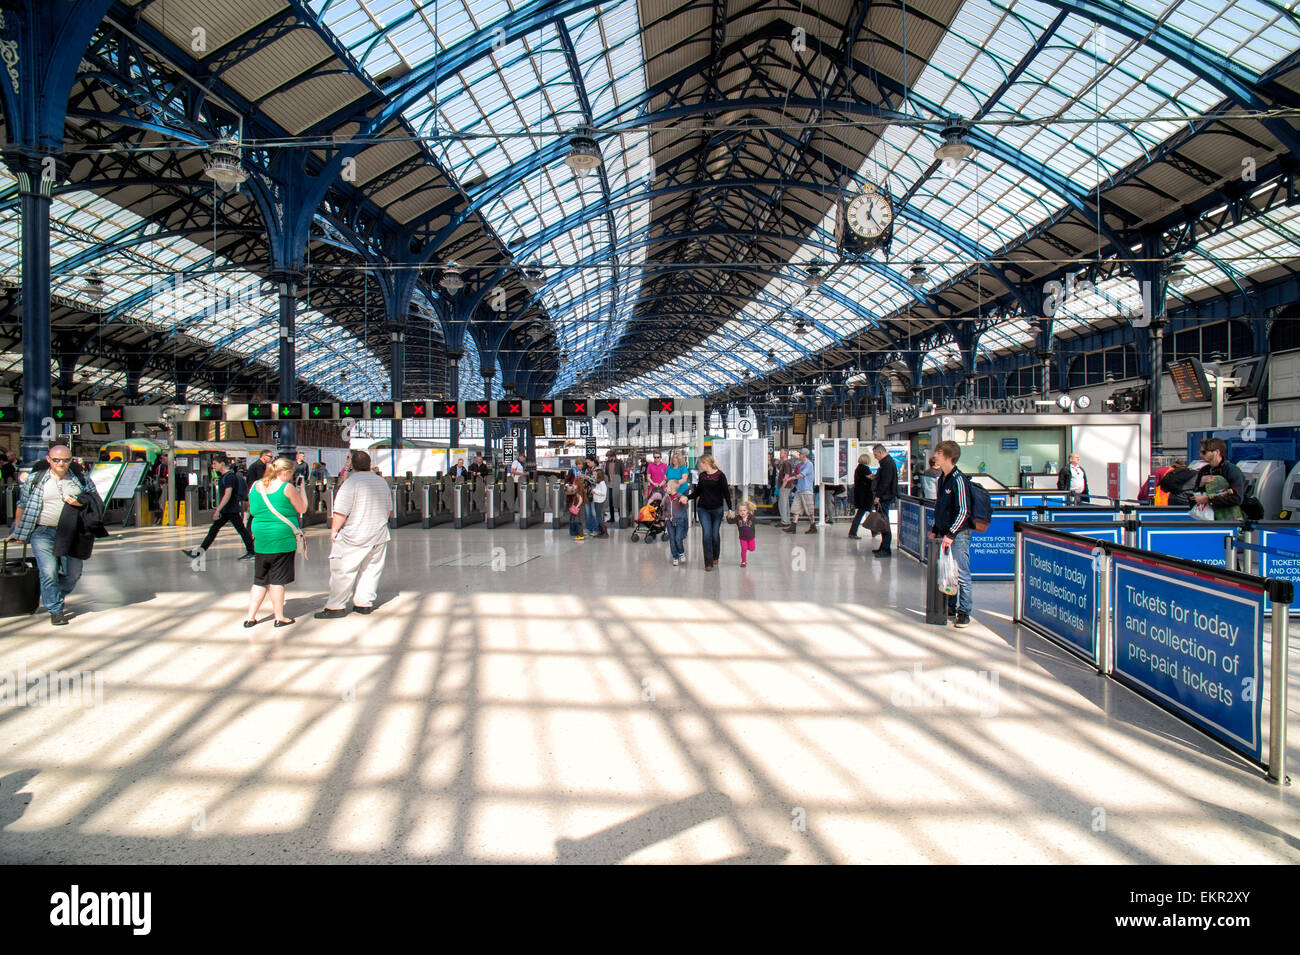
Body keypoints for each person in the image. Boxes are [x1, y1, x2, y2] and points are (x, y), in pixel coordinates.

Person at [5, 444, 106, 625]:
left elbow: (95, 501)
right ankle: (55, 609)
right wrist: (17, 529)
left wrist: (79, 502)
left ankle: (51, 593)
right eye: (57, 460)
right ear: (49, 460)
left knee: (73, 573)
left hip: (72, 532)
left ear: (71, 460)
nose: (61, 463)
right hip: (42, 531)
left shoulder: (80, 479)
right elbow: (22, 503)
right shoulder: (36, 479)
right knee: (48, 572)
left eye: (66, 460)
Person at [314, 451, 392, 618]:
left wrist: (334, 531)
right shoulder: (381, 482)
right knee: (371, 570)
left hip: (354, 535)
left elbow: (341, 512)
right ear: (369, 464)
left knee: (343, 571)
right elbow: (388, 511)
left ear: (353, 466)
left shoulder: (350, 483)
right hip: (378, 534)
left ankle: (336, 607)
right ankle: (364, 604)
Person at [244, 456, 307, 629]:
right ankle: (279, 617)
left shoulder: (255, 486)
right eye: (291, 474)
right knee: (277, 580)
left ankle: (250, 617)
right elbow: (302, 508)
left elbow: (254, 509)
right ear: (285, 472)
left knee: (259, 580)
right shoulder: (287, 487)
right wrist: (302, 491)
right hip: (282, 538)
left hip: (261, 537)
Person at [929, 440, 973, 628]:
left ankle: (964, 612)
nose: (935, 455)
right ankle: (951, 607)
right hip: (944, 534)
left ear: (948, 457)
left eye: (939, 453)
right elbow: (941, 507)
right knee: (947, 572)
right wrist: (936, 529)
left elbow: (963, 510)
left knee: (961, 573)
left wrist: (951, 533)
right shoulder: (942, 479)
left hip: (958, 535)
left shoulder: (959, 479)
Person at [183, 453, 255, 562]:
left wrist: (218, 509)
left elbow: (228, 494)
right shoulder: (226, 477)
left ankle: (251, 552)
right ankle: (198, 553)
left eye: (215, 463)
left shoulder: (229, 477)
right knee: (217, 530)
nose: (213, 466)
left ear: (222, 464)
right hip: (228, 510)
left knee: (239, 530)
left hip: (230, 509)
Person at [686, 454, 733, 571]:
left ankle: (716, 555)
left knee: (714, 535)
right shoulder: (702, 476)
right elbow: (697, 492)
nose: (700, 466)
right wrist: (686, 497)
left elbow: (726, 493)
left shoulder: (720, 476)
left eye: (701, 463)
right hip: (703, 509)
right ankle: (708, 561)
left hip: (717, 509)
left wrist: (730, 509)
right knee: (707, 534)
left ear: (705, 463)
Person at [1193, 438, 1245, 521]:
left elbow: (1237, 498)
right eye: (1200, 452)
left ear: (1217, 452)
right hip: (1207, 518)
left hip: (1230, 518)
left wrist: (1208, 499)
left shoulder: (1231, 470)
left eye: (1204, 452)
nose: (1201, 455)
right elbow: (1194, 497)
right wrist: (1201, 484)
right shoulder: (1204, 470)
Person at [871, 444, 898, 557]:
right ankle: (883, 546)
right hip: (885, 496)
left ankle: (886, 548)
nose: (875, 457)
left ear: (880, 453)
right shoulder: (887, 463)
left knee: (884, 523)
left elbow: (885, 482)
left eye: (875, 455)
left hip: (884, 497)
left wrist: (878, 496)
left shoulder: (887, 464)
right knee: (883, 523)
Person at [783, 448, 817, 534]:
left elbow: (801, 475)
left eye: (800, 454)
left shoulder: (809, 464)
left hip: (806, 490)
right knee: (796, 508)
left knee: (809, 509)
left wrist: (789, 479)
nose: (799, 455)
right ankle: (793, 526)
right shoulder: (802, 465)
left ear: (804, 455)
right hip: (800, 489)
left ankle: (813, 526)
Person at [847, 453, 874, 539]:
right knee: (864, 514)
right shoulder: (865, 469)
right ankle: (853, 532)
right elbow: (869, 480)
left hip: (860, 496)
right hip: (865, 496)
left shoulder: (858, 469)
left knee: (864, 513)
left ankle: (874, 531)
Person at [664, 478, 690, 566]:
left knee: (678, 539)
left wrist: (684, 501)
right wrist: (665, 517)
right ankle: (675, 557)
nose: (666, 488)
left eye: (667, 486)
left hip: (679, 522)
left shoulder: (680, 497)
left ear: (671, 488)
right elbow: (664, 509)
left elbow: (686, 506)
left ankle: (681, 552)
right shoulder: (666, 498)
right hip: (669, 522)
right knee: (672, 540)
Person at [728, 500, 757, 567]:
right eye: (740, 511)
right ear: (738, 512)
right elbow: (730, 521)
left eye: (744, 510)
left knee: (752, 549)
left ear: (747, 511)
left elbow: (759, 520)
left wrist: (768, 522)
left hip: (751, 537)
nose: (742, 512)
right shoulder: (738, 518)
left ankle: (747, 548)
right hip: (742, 537)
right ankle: (743, 562)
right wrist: (728, 517)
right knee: (744, 549)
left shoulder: (751, 517)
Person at [775, 450, 796, 527]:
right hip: (786, 486)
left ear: (785, 454)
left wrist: (783, 486)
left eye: (781, 453)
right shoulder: (784, 463)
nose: (780, 454)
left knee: (782, 503)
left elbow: (787, 475)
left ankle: (784, 521)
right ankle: (787, 520)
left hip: (785, 486)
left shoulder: (786, 463)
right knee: (785, 503)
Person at [566, 473, 587, 541]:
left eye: (574, 484)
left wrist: (576, 507)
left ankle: (580, 535)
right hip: (580, 509)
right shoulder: (579, 491)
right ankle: (580, 534)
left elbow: (580, 500)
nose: (573, 486)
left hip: (579, 509)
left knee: (578, 522)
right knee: (579, 522)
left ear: (578, 485)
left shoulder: (578, 492)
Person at [588, 470, 609, 537]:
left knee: (599, 517)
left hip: (600, 502)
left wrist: (595, 491)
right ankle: (601, 532)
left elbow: (603, 493)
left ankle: (604, 532)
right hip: (597, 501)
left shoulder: (602, 483)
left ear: (599, 476)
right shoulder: (598, 483)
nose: (594, 476)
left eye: (595, 475)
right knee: (598, 517)